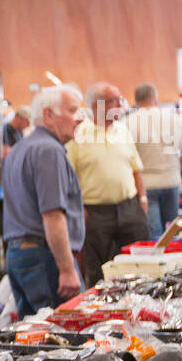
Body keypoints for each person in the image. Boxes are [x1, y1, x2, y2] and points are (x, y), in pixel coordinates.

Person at [0, 84, 86, 316]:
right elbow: (52, 215)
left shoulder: (19, 149)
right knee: (67, 334)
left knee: (34, 336)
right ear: (48, 115)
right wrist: (67, 269)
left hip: (19, 255)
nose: (79, 119)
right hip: (44, 256)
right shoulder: (49, 151)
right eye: (73, 110)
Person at [66, 82, 150, 285]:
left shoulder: (123, 131)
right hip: (95, 213)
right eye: (113, 101)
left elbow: (136, 169)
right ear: (95, 105)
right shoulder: (78, 135)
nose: (119, 105)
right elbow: (69, 178)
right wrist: (80, 210)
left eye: (120, 100)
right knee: (100, 273)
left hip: (129, 208)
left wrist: (143, 202)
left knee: (141, 266)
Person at [126, 83, 182, 238]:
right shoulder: (173, 118)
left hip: (145, 185)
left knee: (154, 236)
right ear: (155, 99)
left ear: (136, 101)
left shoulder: (127, 122)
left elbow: (125, 157)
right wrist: (178, 168)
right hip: (171, 181)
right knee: (172, 235)